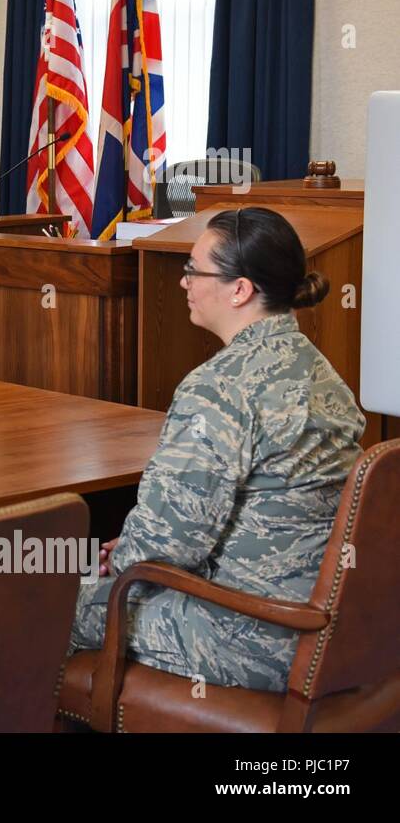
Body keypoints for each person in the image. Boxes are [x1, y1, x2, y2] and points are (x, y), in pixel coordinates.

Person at [70, 206, 365, 692]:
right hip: (335, 624)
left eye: (193, 270)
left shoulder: (219, 389)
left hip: (250, 633)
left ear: (240, 289)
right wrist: (142, 545)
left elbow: (170, 546)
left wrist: (126, 558)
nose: (184, 282)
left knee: (37, 605)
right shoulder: (322, 372)